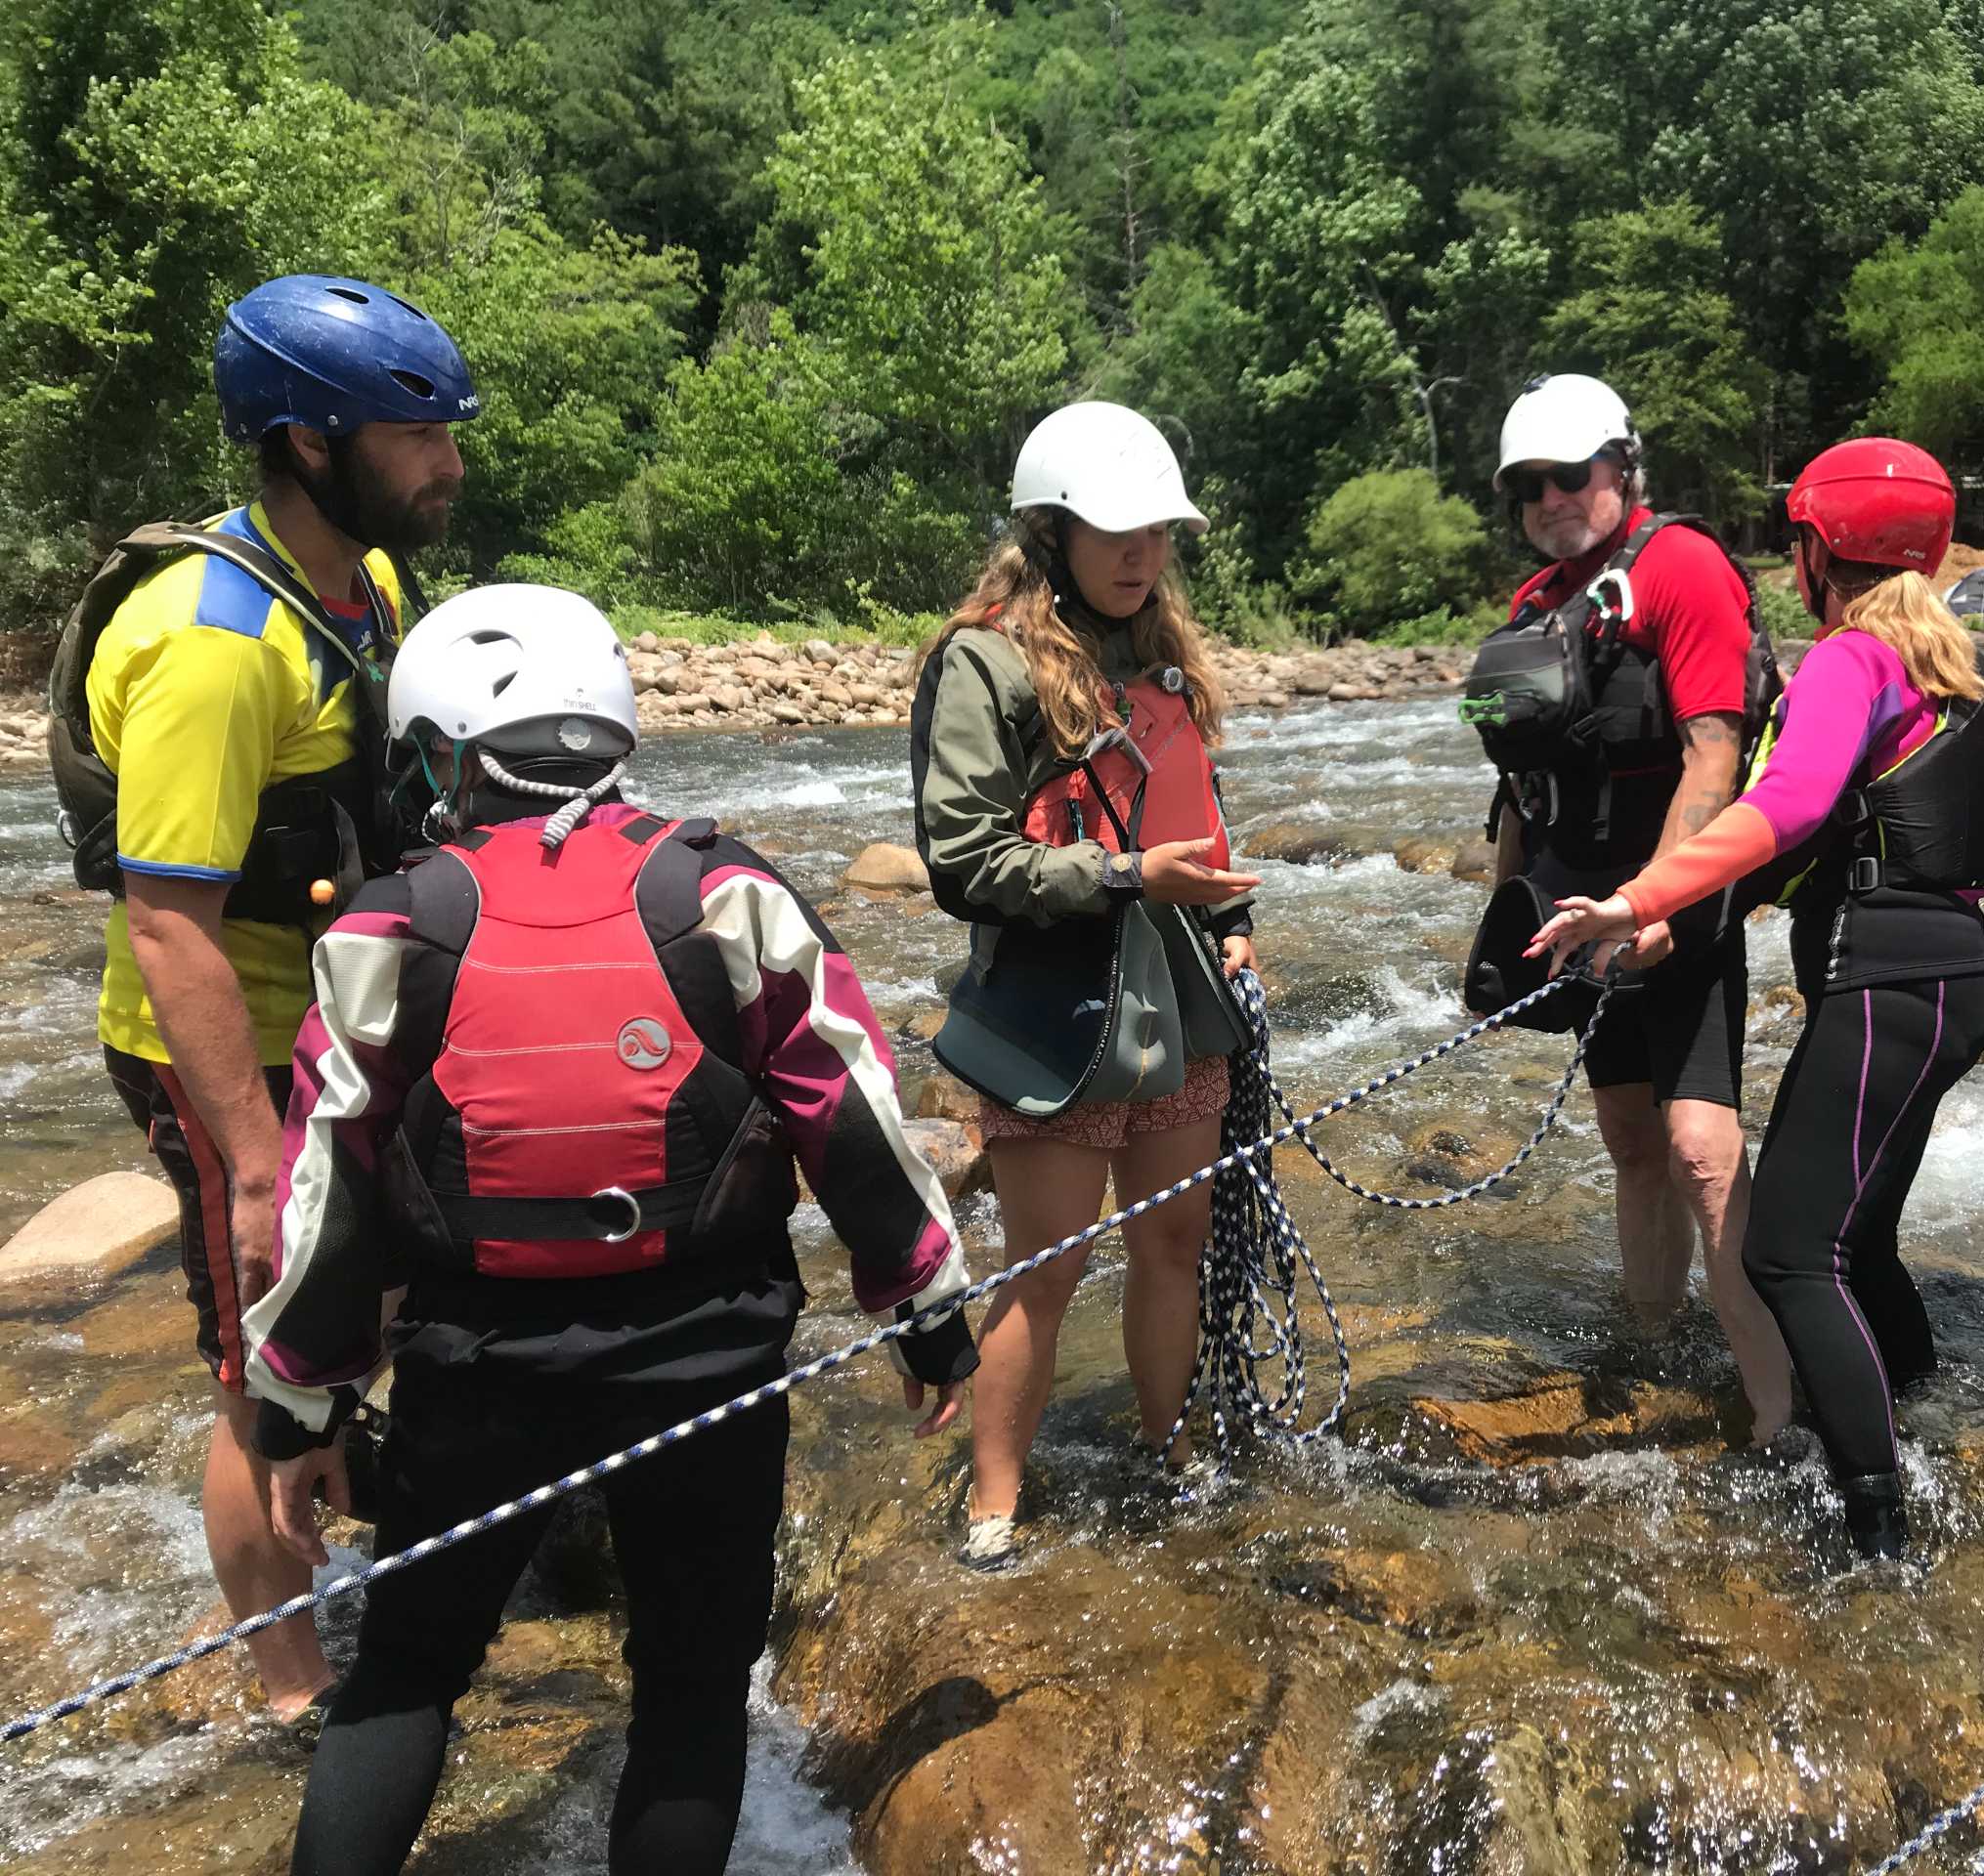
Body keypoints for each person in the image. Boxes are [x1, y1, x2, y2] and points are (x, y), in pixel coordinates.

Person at [241, 584, 973, 1874]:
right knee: (690, 1687)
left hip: (474, 1372)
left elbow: (327, 1188)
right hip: (708, 1362)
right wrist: (927, 1314)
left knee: (409, 1669)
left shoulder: (388, 923)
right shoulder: (727, 891)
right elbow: (851, 1110)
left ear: (437, 756)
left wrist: (295, 1413)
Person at [45, 274, 476, 1721]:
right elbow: (167, 923)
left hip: (341, 1027)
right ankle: (295, 1693)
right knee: (266, 1364)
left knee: (376, 1300)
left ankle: (345, 1511)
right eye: (417, 438)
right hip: (225, 1044)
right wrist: (248, 1162)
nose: (450, 465)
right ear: (307, 442)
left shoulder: (364, 587)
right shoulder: (217, 643)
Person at [1527, 439, 1984, 1557]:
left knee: (1791, 1256)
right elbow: (1845, 835)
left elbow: (1787, 806)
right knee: (1863, 1242)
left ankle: (1876, 1531)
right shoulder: (1957, 665)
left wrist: (1636, 894)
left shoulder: (1854, 658)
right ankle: (1916, 1418)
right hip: (1954, 980)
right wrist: (1688, 915)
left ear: (1813, 549)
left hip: (1885, 981)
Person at [911, 401, 1259, 1570]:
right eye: (1116, 533)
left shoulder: (1163, 657)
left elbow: (1195, 814)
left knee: (1173, 1248)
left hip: (1185, 1000)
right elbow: (961, 859)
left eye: (1157, 533)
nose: (1141, 555)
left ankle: (1165, 1450)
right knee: (1044, 1270)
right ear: (1049, 529)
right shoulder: (984, 659)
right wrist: (1123, 877)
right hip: (1050, 1013)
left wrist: (1238, 921)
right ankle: (993, 1506)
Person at [1473, 371, 1790, 1437]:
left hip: (1674, 906)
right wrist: (1500, 916)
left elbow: (1714, 750)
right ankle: (1654, 1345)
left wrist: (1652, 904)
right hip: (1576, 914)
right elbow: (1518, 790)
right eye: (1529, 488)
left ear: (1622, 470)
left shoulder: (1682, 568)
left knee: (1702, 1153)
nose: (1550, 500)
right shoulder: (1531, 610)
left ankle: (1775, 1407)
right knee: (1628, 1139)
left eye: (1572, 477)